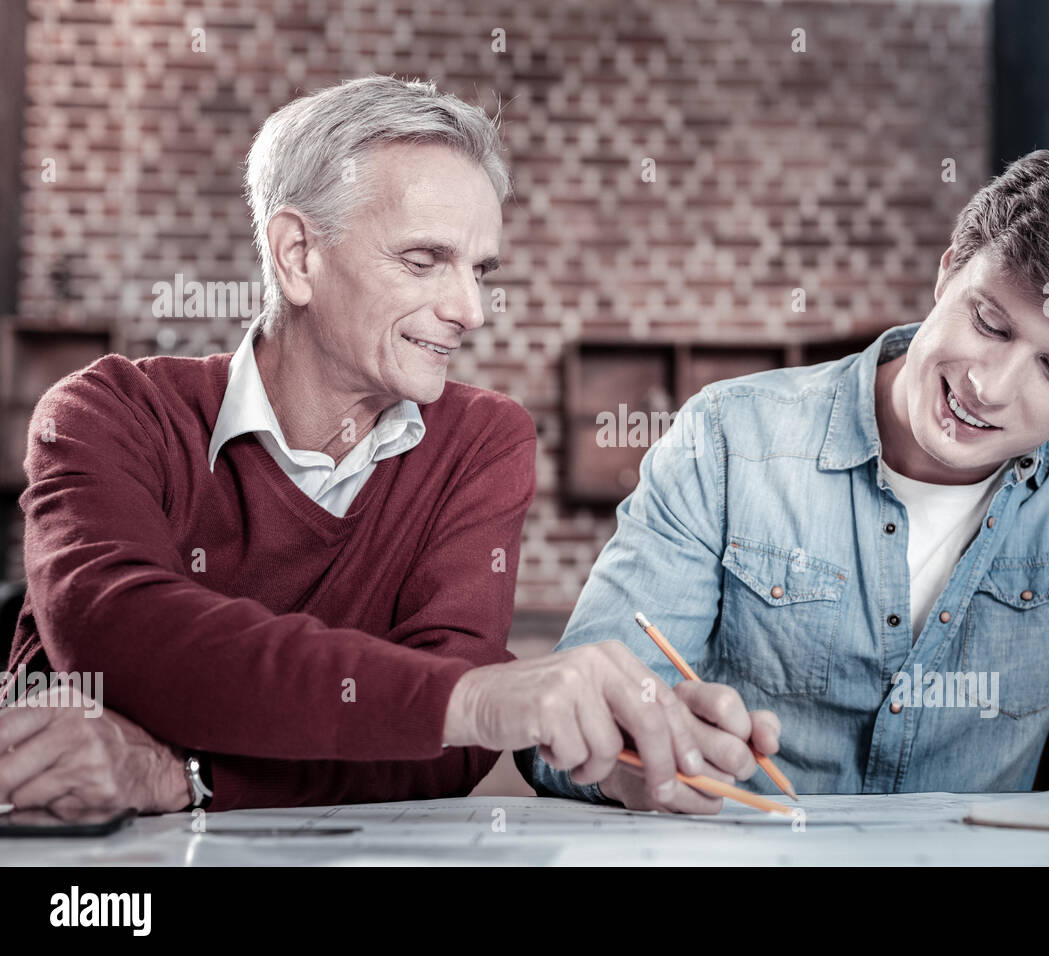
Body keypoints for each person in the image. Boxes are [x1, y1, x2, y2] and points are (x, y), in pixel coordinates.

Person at [0, 76, 745, 814]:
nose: (470, 310)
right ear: (296, 255)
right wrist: (461, 698)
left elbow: (446, 751)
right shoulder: (109, 413)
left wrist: (183, 776)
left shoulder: (483, 441)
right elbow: (117, 636)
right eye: (424, 261)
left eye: (479, 270)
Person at [519, 142, 1049, 812]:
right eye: (990, 322)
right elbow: (561, 736)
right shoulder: (727, 439)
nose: (989, 385)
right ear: (947, 270)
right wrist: (638, 763)